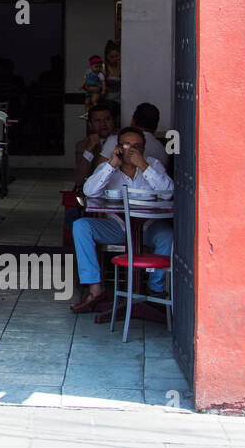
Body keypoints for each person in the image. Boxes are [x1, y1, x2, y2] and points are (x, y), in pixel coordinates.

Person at [68, 125, 174, 313]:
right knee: (81, 226)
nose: (132, 150)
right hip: (118, 227)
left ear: (143, 148)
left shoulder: (153, 165)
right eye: (127, 145)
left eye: (137, 146)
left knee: (168, 235)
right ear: (118, 147)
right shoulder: (108, 167)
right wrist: (111, 165)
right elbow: (89, 191)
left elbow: (168, 193)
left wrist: (143, 165)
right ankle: (95, 289)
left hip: (147, 228)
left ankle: (155, 290)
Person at [100, 102, 171, 169]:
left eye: (137, 146)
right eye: (126, 145)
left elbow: (99, 171)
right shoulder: (162, 150)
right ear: (156, 125)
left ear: (133, 121)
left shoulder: (114, 140)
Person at [102, 40, 122, 107]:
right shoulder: (103, 68)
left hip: (121, 101)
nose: (115, 59)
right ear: (107, 57)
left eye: (117, 56)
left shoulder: (123, 67)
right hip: (107, 101)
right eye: (112, 57)